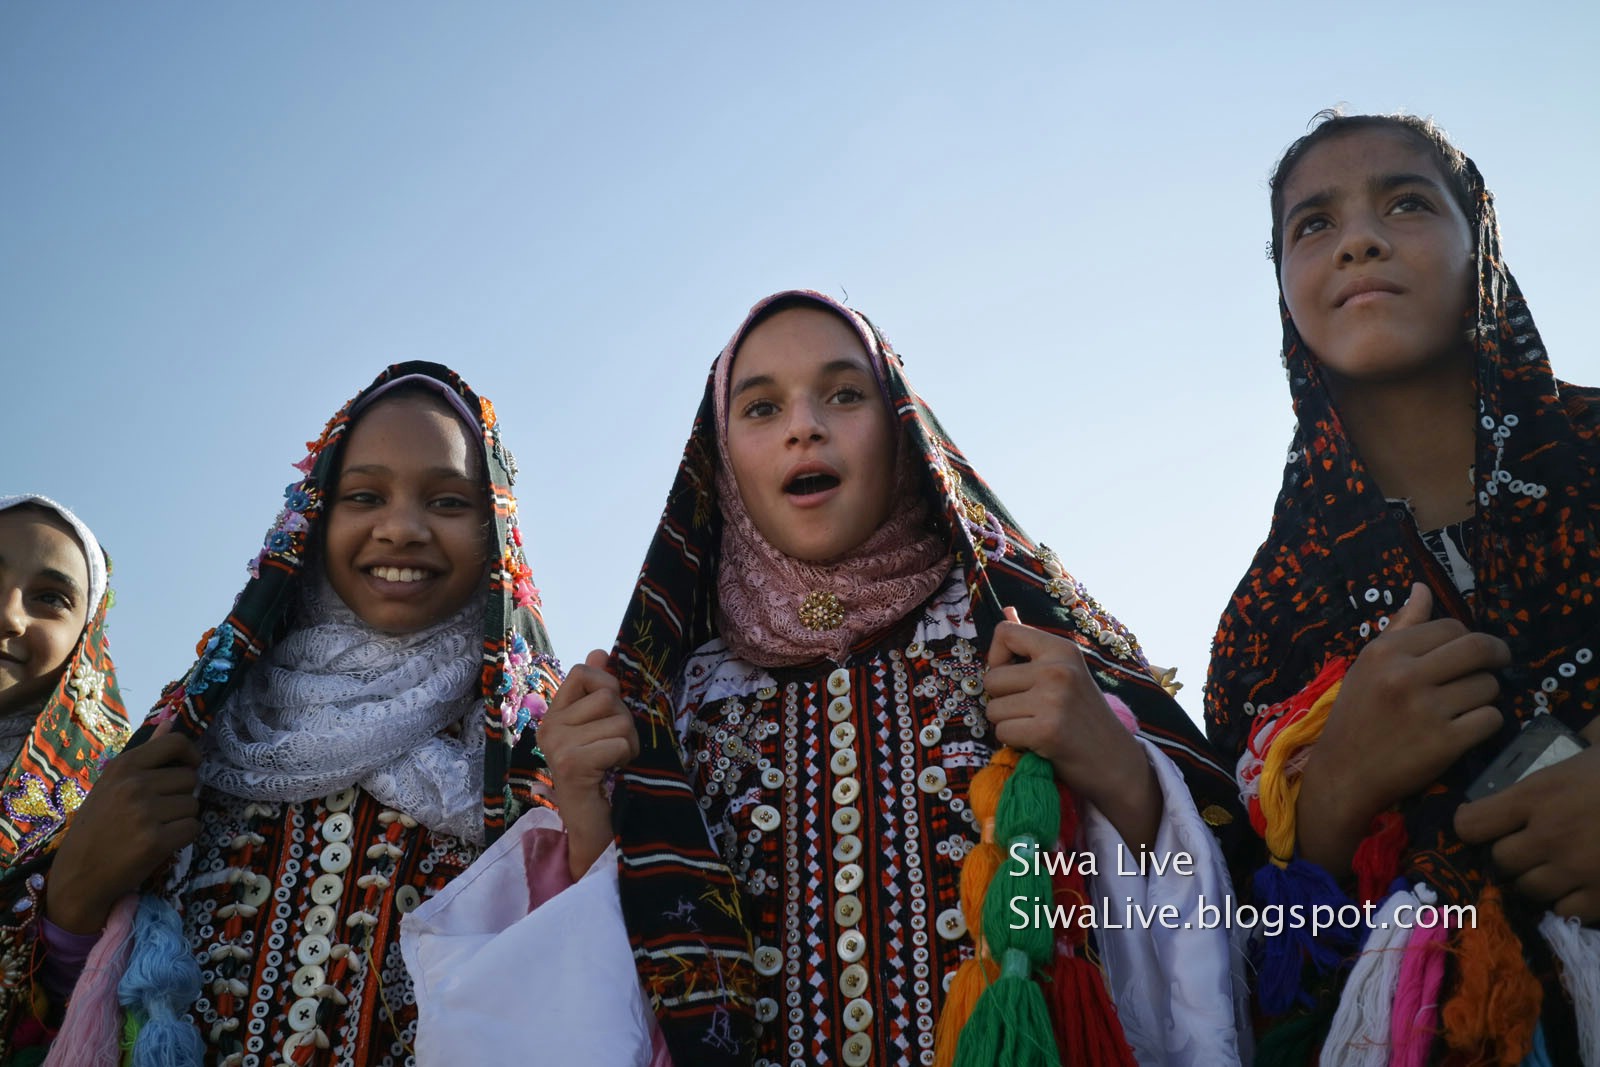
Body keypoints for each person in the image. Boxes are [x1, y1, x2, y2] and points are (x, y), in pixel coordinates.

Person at [539, 291, 1250, 1067]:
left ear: (903, 429)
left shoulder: (1020, 640)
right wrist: (585, 809)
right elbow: (628, 996)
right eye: (761, 408)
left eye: (844, 394)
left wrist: (1121, 776)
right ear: (720, 456)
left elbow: (1227, 901)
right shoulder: (673, 704)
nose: (803, 425)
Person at [1206, 111, 1600, 1064]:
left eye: (1407, 202)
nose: (1360, 239)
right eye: (1314, 223)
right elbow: (1227, 959)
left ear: (1483, 245)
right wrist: (1336, 794)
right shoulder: (1263, 621)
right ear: (1284, 287)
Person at [52, 363, 563, 1067]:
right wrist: (69, 904)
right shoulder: (208, 734)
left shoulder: (541, 753)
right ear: (316, 516)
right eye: (363, 495)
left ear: (496, 528)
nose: (402, 527)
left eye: (448, 502)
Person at [0, 496, 134, 1063]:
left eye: (50, 598)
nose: (9, 615)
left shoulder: (115, 802)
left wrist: (66, 922)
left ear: (86, 641)